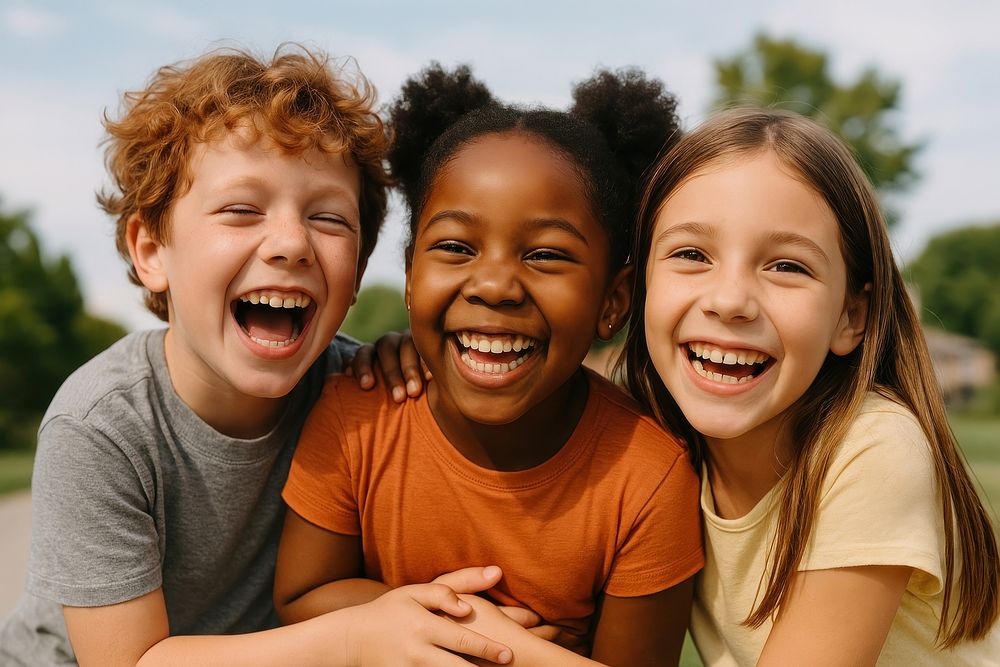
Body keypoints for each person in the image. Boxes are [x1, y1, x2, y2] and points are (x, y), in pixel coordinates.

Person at [0, 46, 523, 667]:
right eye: (242, 209)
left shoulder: (363, 389)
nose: (291, 243)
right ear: (150, 249)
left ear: (355, 275)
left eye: (328, 218)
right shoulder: (101, 427)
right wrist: (358, 637)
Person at [274, 63, 704, 666]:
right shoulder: (355, 418)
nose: (496, 285)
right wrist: (461, 627)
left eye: (546, 254)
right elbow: (302, 593)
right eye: (455, 247)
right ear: (409, 274)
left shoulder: (649, 478)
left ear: (614, 301)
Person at [618, 107, 1000, 664]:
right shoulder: (649, 450)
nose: (728, 301)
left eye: (786, 267)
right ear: (639, 285)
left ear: (851, 316)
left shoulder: (873, 448)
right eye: (691, 255)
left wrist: (511, 651)